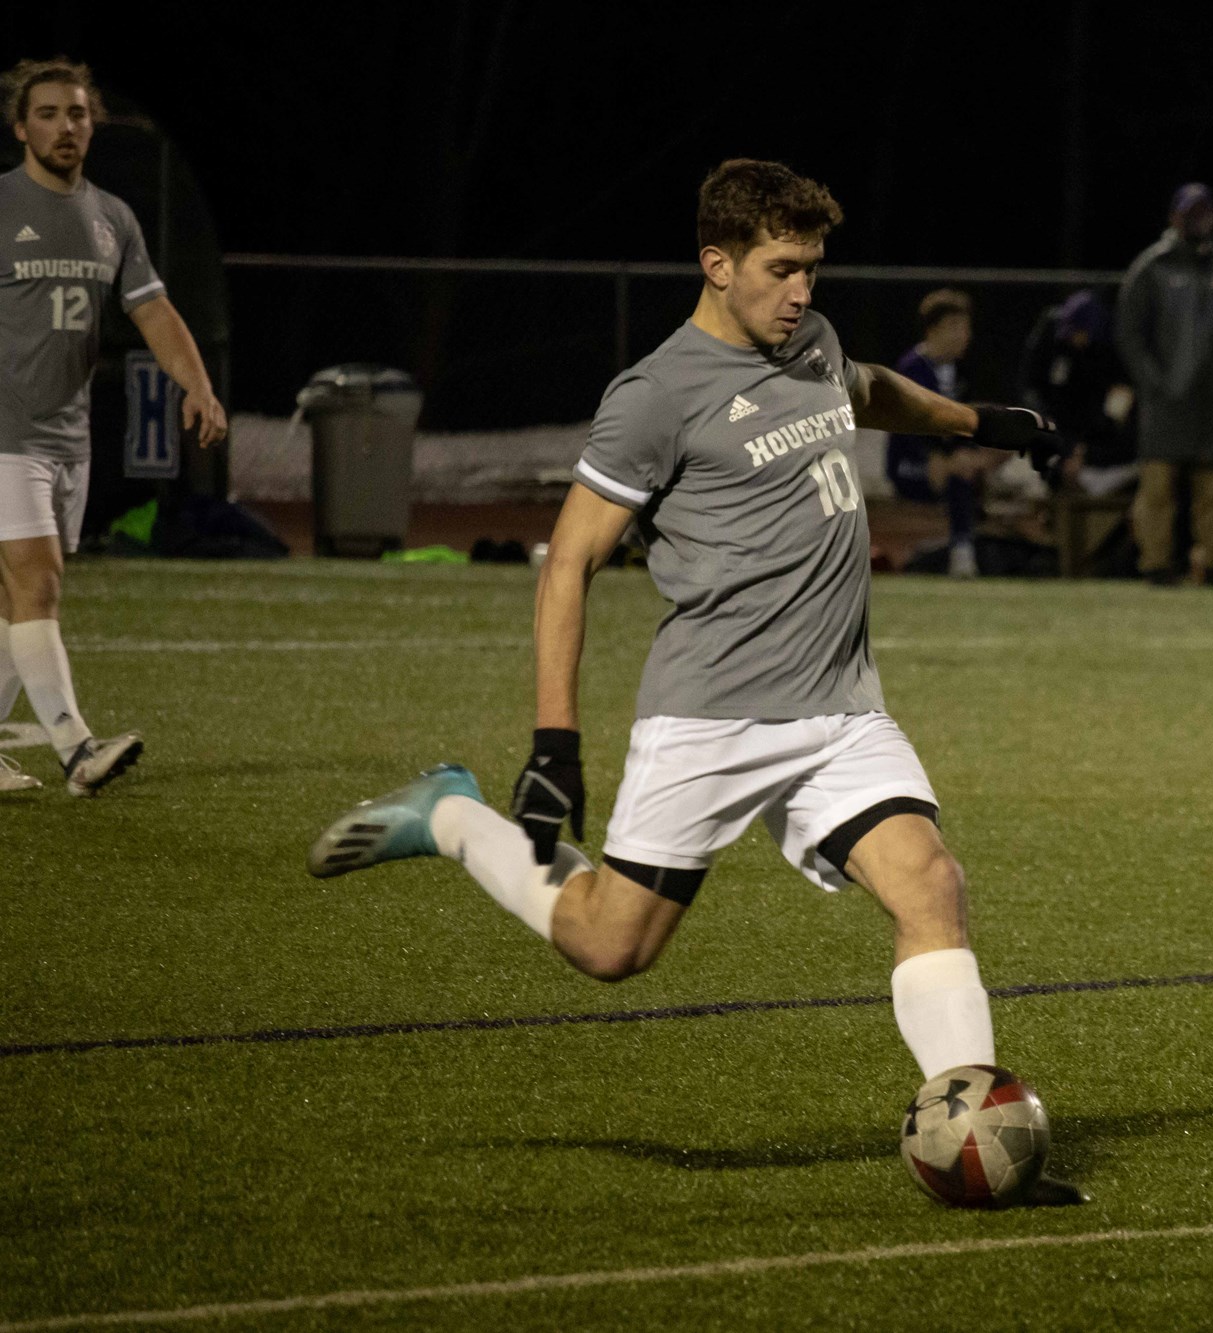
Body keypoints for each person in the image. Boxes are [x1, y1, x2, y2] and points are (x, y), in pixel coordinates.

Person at [306, 160, 1081, 1204]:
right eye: (779, 269)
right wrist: (553, 741)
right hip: (712, 717)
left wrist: (981, 422)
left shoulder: (809, 340)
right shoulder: (654, 398)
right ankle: (450, 815)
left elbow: (864, 393)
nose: (800, 290)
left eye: (810, 269)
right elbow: (569, 561)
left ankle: (975, 1141)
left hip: (840, 711)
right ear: (716, 264)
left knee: (930, 884)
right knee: (609, 947)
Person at [0, 58, 227, 796]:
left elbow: (153, 310)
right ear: (20, 128)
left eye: (76, 113)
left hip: (69, 438)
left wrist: (198, 385)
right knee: (38, 581)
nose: (64, 126)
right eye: (47, 114)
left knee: (16, 601)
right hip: (5, 435)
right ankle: (76, 750)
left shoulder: (113, 218)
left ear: (92, 125)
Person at [1116, 183, 1213, 587]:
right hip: (1166, 400)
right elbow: (1130, 332)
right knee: (1157, 488)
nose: (1199, 221)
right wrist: (1153, 382)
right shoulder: (1152, 267)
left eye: (1205, 212)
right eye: (1190, 213)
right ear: (1174, 217)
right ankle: (1156, 564)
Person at [883, 288, 988, 577]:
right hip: (908, 465)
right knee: (956, 476)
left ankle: (965, 548)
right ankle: (962, 552)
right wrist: (932, 457)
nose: (964, 335)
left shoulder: (962, 371)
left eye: (966, 327)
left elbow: (965, 422)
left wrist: (967, 452)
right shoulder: (911, 369)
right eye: (955, 326)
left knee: (968, 468)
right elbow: (906, 427)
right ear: (933, 330)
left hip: (948, 464)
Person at [1020, 288, 1136, 497]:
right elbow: (1032, 387)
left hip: (1097, 442)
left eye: (1079, 333)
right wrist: (1065, 446)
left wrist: (1086, 452)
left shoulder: (1111, 347)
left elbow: (1117, 405)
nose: (1074, 339)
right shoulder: (1054, 334)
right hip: (1060, 429)